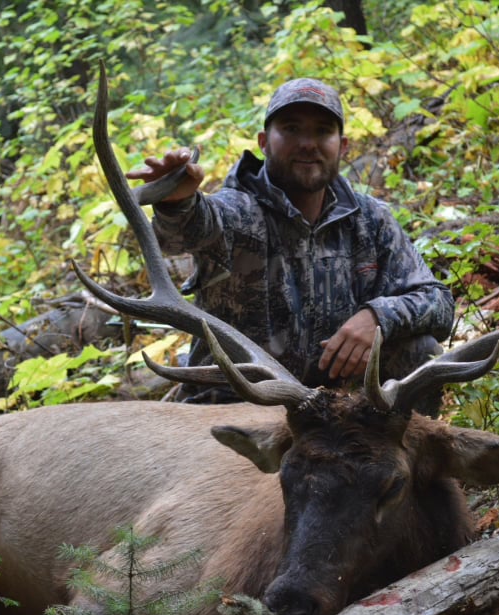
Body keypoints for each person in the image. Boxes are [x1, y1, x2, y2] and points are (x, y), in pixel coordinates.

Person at [125, 78, 456, 415]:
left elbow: (439, 302)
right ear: (264, 142)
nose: (307, 144)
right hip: (237, 407)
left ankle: (404, 461)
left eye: (322, 131)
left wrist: (377, 317)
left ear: (342, 147)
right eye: (292, 129)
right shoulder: (237, 214)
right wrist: (178, 203)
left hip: (333, 408)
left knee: (422, 352)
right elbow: (186, 231)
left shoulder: (370, 220)